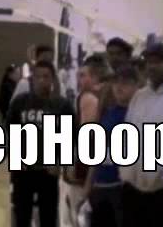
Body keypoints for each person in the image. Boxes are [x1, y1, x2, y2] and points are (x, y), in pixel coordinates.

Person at [119, 43, 163, 227]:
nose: (151, 66)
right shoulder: (140, 96)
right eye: (148, 62)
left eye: (157, 62)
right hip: (133, 188)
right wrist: (124, 172)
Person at [6, 60, 73, 227]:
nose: (42, 80)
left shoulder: (62, 105)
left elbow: (71, 137)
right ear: (32, 79)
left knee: (48, 217)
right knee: (21, 216)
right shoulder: (20, 102)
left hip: (48, 172)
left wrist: (60, 163)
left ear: (52, 79)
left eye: (46, 77)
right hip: (23, 171)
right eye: (38, 77)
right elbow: (10, 130)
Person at [87, 64, 140, 227]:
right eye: (116, 82)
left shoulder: (137, 114)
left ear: (136, 86)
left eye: (125, 83)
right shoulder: (108, 112)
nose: (119, 87)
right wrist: (88, 185)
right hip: (100, 186)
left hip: (123, 188)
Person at [62, 54, 106, 226]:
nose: (79, 80)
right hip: (99, 163)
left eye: (82, 75)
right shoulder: (105, 93)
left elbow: (86, 133)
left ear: (94, 76)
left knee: (77, 210)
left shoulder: (87, 97)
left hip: (85, 164)